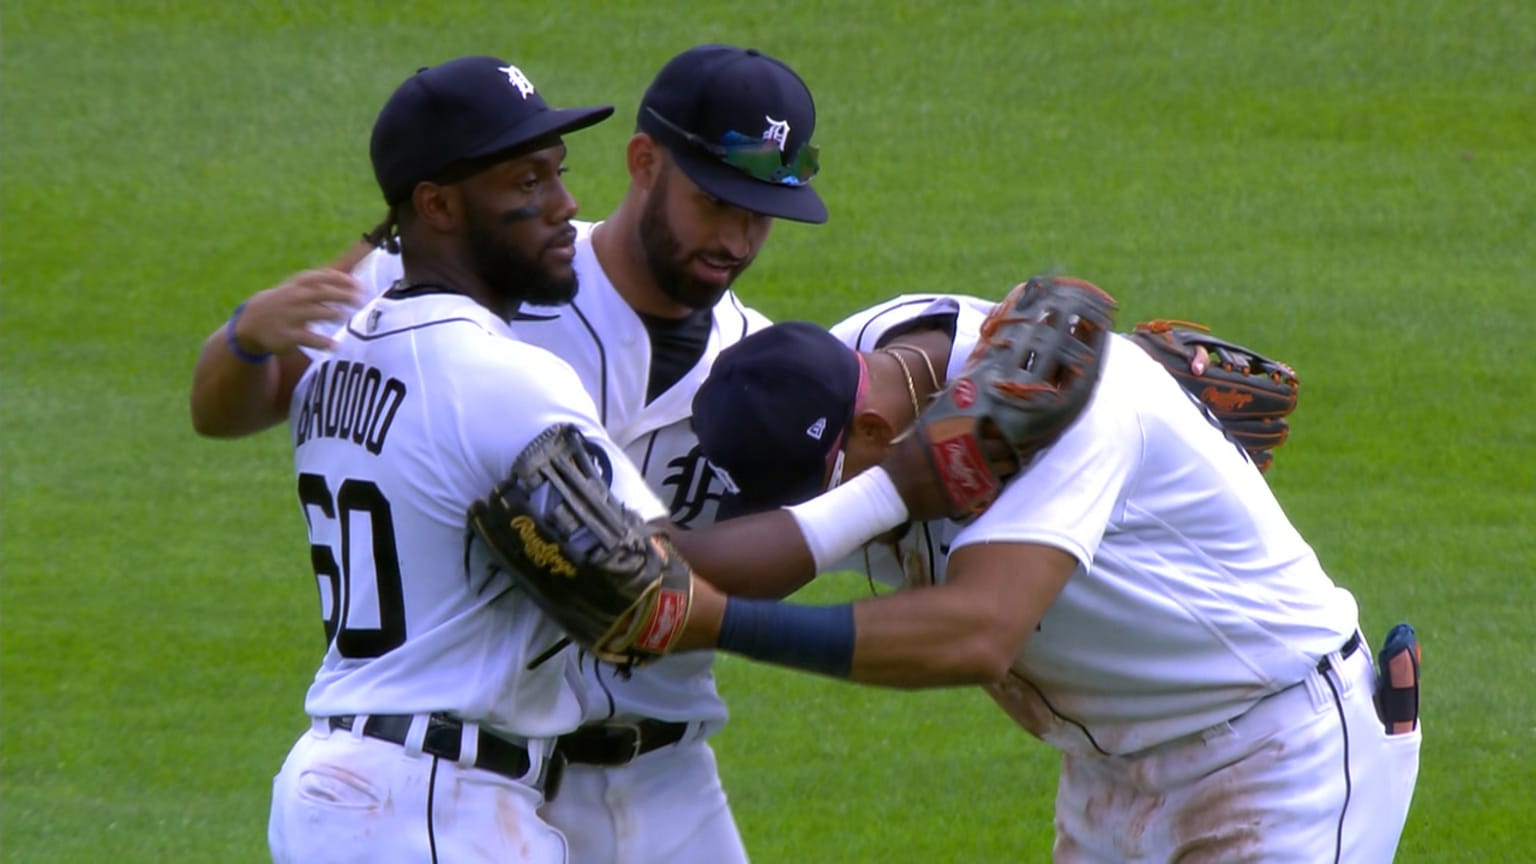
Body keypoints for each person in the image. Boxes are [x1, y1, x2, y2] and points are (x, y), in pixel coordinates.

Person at [193, 45, 830, 864]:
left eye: (761, 212)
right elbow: (651, 574)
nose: (738, 237)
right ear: (644, 163)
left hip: (651, 771)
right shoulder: (439, 309)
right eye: (716, 202)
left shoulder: (766, 370)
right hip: (479, 776)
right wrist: (244, 334)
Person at [675, 289, 1423, 862]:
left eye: (810, 498)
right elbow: (745, 557)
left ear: (871, 432)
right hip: (1108, 772)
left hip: (1277, 755)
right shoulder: (845, 374)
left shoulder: (1065, 415)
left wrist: (720, 622)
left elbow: (976, 635)